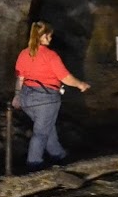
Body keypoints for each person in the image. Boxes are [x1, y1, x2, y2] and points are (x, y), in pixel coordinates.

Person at [13, 21, 89, 171]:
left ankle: (57, 153)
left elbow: (20, 78)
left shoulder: (24, 53)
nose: (51, 38)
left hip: (27, 97)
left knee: (46, 125)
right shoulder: (50, 55)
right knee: (40, 132)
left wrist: (17, 96)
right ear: (44, 36)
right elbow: (65, 77)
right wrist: (80, 84)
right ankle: (33, 164)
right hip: (45, 99)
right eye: (50, 35)